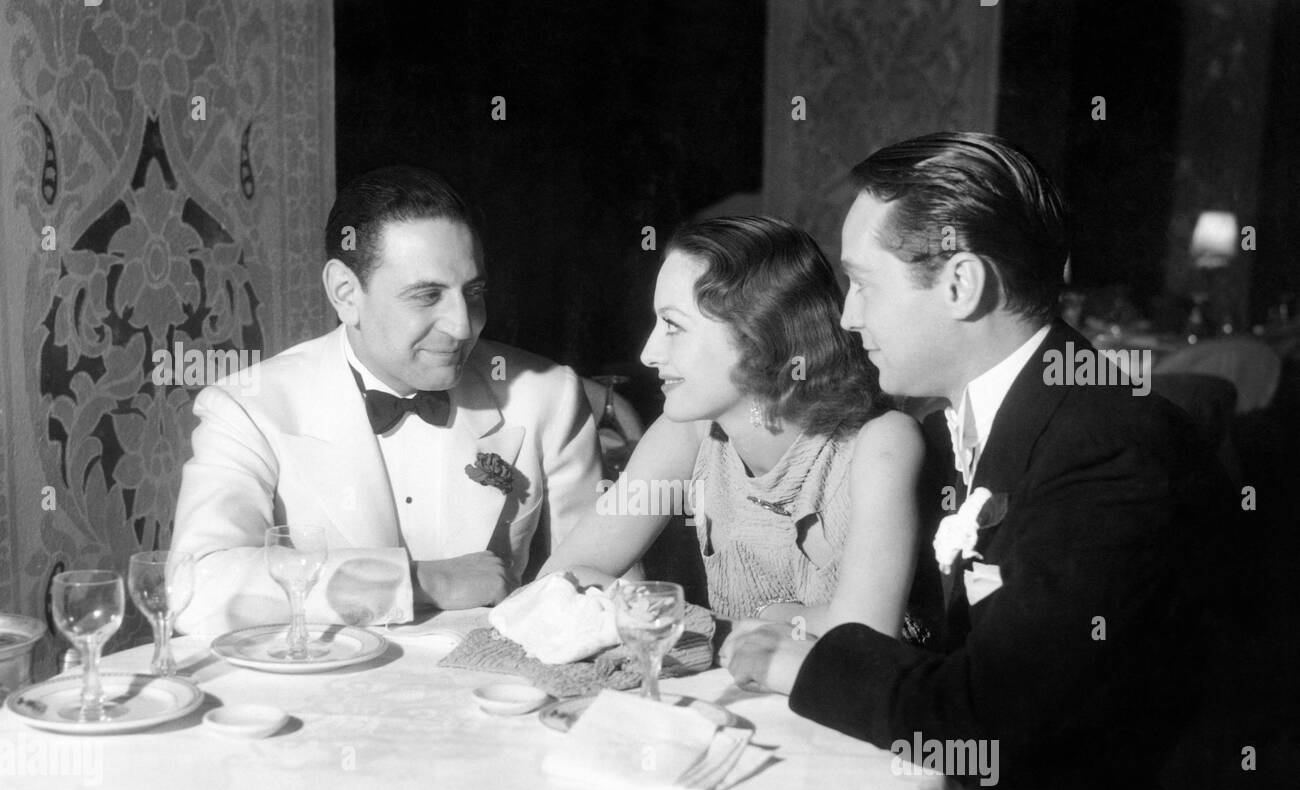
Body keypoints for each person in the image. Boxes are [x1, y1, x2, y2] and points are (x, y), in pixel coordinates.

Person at [721, 132, 1239, 790]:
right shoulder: (969, 423)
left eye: (864, 283)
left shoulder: (1107, 448)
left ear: (961, 284)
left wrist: (800, 661)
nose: (846, 317)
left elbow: (990, 718)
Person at [173, 166, 602, 634]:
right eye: (427, 295)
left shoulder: (547, 395)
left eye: (473, 293)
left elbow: (599, 589)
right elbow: (195, 586)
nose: (462, 326)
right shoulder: (248, 407)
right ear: (345, 293)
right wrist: (419, 581)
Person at [541, 215, 927, 640]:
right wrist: (770, 618)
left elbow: (863, 638)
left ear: (758, 335)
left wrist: (694, 622)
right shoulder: (687, 433)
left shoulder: (882, 443)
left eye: (673, 326)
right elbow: (557, 581)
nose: (648, 353)